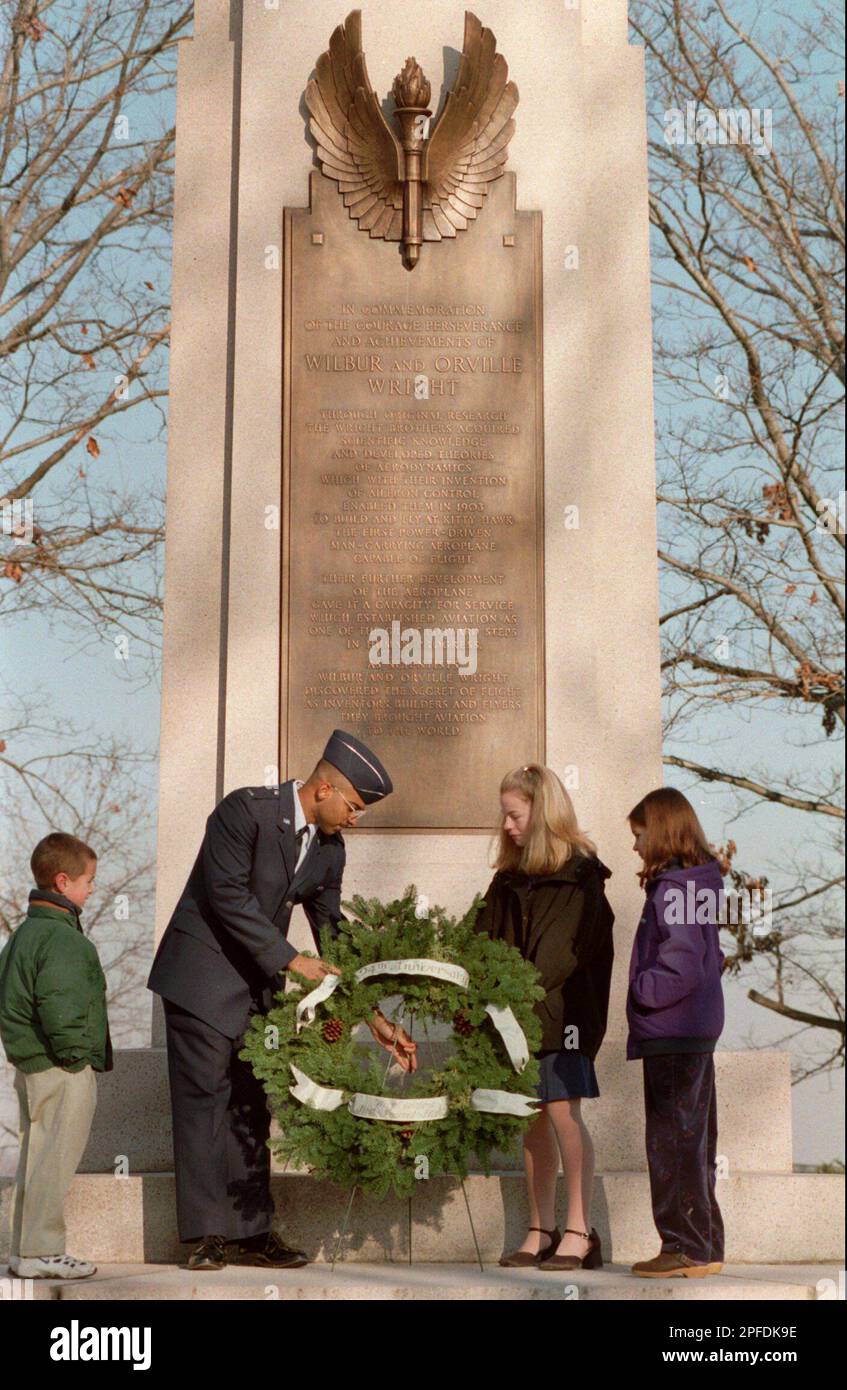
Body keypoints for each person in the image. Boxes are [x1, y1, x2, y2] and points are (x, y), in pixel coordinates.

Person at [147, 728, 416, 1271]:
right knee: (204, 1104)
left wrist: (372, 1016)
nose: (356, 819)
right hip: (200, 978)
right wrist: (291, 960)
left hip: (255, 990)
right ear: (323, 788)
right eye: (354, 806)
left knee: (250, 1105)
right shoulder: (243, 811)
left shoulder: (329, 851)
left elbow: (332, 935)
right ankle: (206, 1236)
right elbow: (226, 895)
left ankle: (251, 1233)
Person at [473, 763, 614, 1272]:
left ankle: (580, 1229)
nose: (507, 825)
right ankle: (541, 1227)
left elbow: (561, 958)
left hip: (564, 1015)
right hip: (515, 1021)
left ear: (543, 811)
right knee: (529, 1119)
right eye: (505, 815)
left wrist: (516, 994)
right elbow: (482, 940)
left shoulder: (582, 876)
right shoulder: (507, 880)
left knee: (561, 1114)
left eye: (515, 815)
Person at [0, 832, 112, 1280]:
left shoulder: (25, 933)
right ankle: (43, 1251)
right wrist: (75, 1058)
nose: (92, 889)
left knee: (38, 1156)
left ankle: (25, 1251)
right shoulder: (63, 940)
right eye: (88, 881)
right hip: (59, 1067)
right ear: (63, 882)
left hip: (31, 1065)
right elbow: (60, 1005)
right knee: (54, 1159)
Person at [626, 786, 726, 1279]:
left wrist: (643, 989)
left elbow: (683, 964)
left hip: (672, 1031)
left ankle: (682, 1246)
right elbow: (715, 956)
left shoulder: (672, 889)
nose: (635, 846)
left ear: (660, 831)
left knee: (670, 1143)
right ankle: (705, 1245)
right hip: (695, 1033)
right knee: (695, 1141)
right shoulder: (699, 885)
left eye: (639, 834)